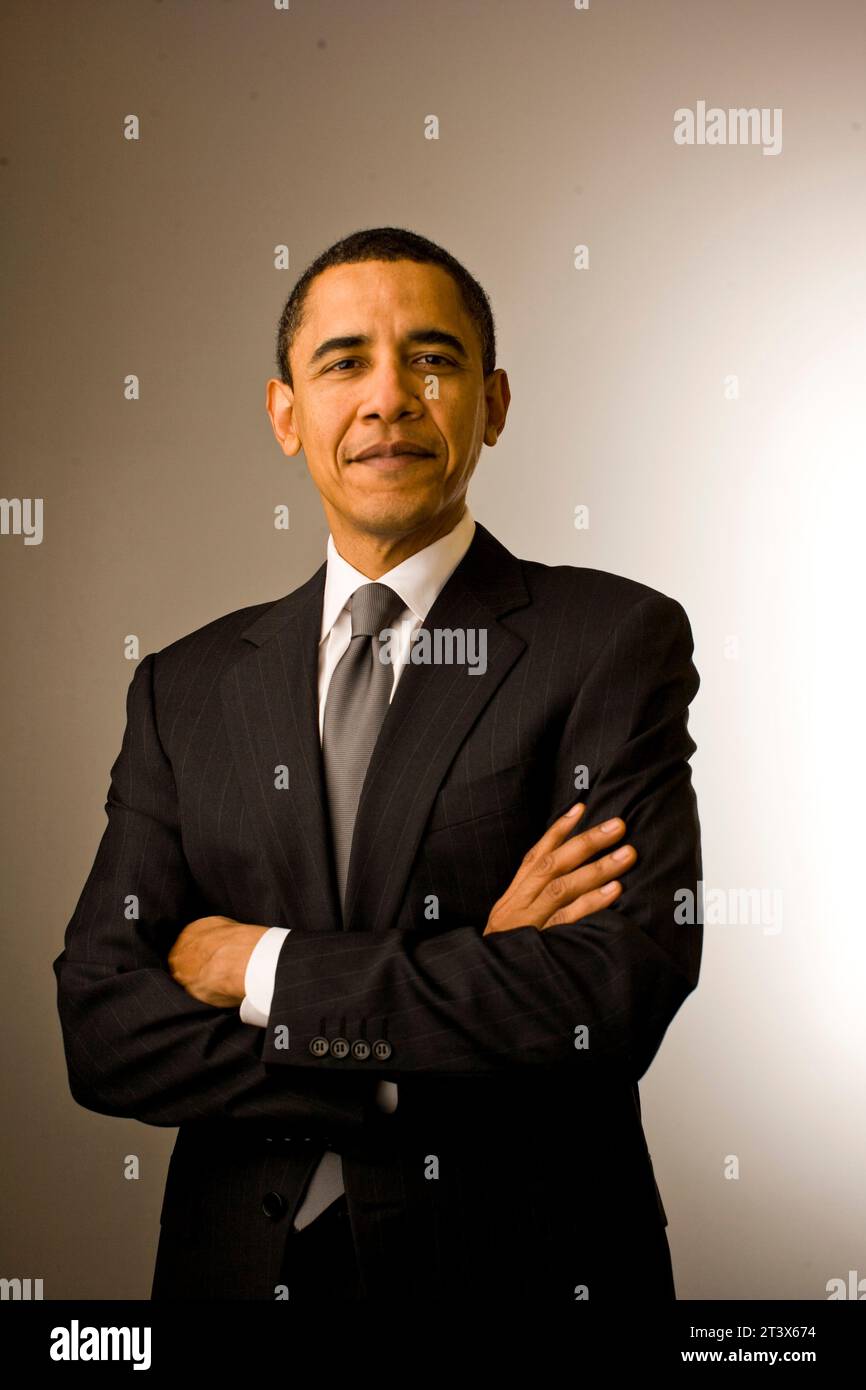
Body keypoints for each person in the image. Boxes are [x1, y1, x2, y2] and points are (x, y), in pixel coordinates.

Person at [53, 225, 702, 1303]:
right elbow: (102, 1026)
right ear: (285, 413)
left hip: (520, 1277)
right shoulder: (184, 686)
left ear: (491, 403)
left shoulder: (610, 642)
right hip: (237, 1274)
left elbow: (608, 990)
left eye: (432, 359)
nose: (389, 397)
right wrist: (409, 1046)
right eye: (344, 361)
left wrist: (257, 967)